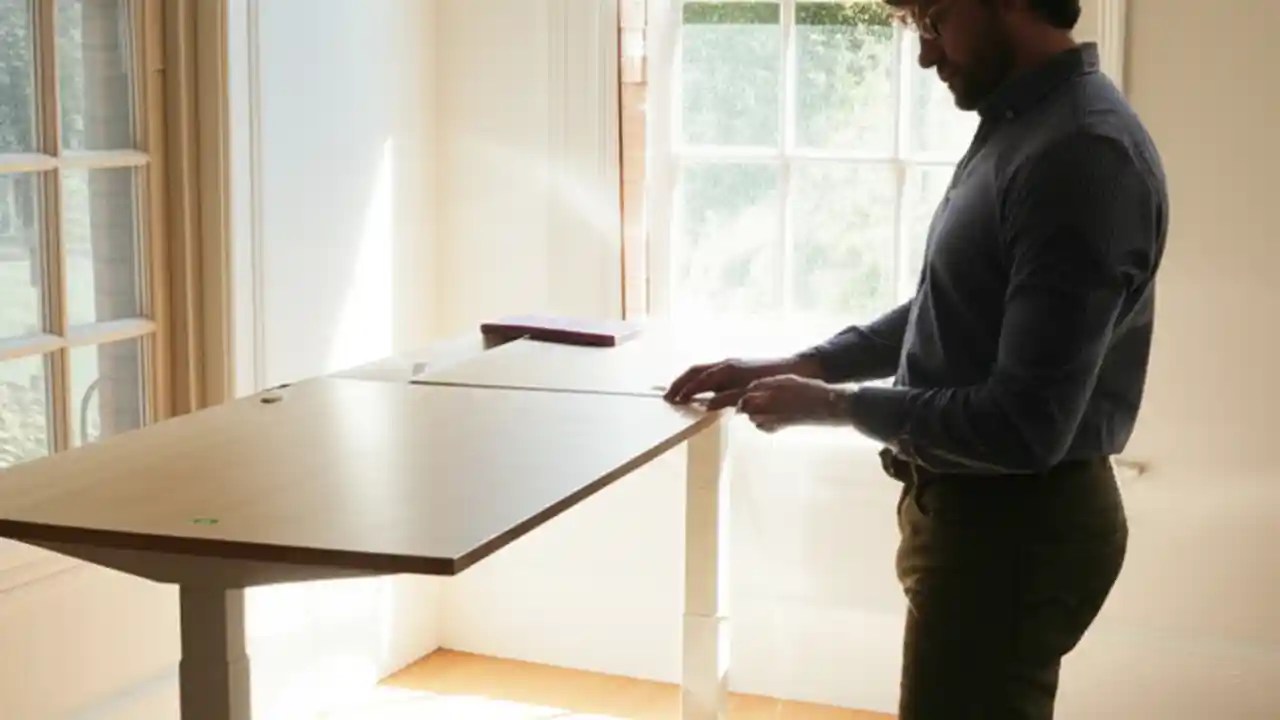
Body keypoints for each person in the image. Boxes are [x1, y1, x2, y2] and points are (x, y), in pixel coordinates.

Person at [664, 0, 1168, 717]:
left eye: (933, 20)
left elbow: (1025, 424)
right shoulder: (1025, 127)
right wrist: (806, 365)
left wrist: (836, 408)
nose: (927, 54)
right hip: (984, 520)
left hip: (1013, 535)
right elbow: (952, 307)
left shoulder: (1080, 156)